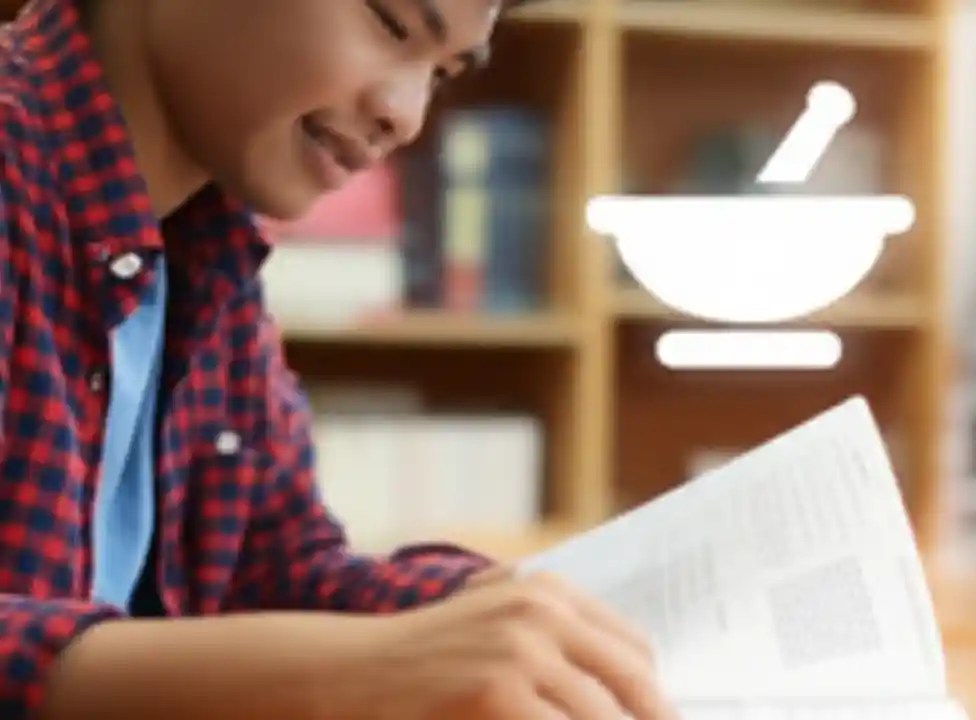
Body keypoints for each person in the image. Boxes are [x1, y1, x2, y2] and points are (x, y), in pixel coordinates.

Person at [0, 1, 677, 718]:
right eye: (390, 24)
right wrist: (355, 670)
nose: (408, 115)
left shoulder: (211, 247)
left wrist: (482, 612)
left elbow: (273, 572)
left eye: (442, 73)